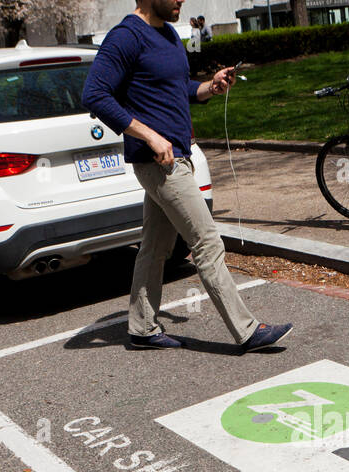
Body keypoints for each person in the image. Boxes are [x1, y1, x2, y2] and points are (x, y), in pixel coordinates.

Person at [82, 0, 291, 352]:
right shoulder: (125, 37)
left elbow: (177, 88)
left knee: (154, 247)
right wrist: (148, 135)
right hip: (159, 162)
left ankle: (142, 328)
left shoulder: (167, 35)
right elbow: (95, 94)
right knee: (207, 242)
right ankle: (247, 330)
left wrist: (210, 86)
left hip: (178, 156)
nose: (181, 0)